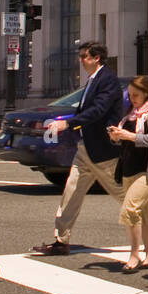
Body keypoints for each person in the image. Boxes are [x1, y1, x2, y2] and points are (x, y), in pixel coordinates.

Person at [33, 42, 125, 255]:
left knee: (122, 194)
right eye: (81, 56)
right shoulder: (93, 80)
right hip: (85, 148)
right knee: (71, 191)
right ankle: (61, 240)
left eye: (84, 56)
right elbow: (86, 110)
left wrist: (68, 123)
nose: (80, 60)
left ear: (96, 58)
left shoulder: (107, 80)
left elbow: (98, 110)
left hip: (102, 149)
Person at [107, 76, 148, 272]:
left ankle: (134, 254)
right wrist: (116, 136)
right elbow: (126, 140)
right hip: (129, 168)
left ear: (146, 93)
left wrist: (129, 136)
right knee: (145, 213)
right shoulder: (132, 113)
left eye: (135, 95)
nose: (132, 99)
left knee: (130, 210)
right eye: (130, 95)